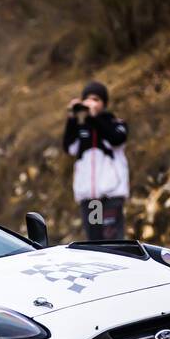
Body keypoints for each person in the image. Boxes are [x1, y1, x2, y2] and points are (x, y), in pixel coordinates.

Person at [62, 80, 129, 240]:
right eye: (88, 99)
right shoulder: (82, 128)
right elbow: (69, 147)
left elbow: (116, 139)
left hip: (110, 195)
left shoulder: (115, 123)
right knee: (95, 244)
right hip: (91, 199)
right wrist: (72, 118)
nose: (91, 103)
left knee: (112, 242)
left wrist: (94, 118)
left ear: (104, 103)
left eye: (96, 99)